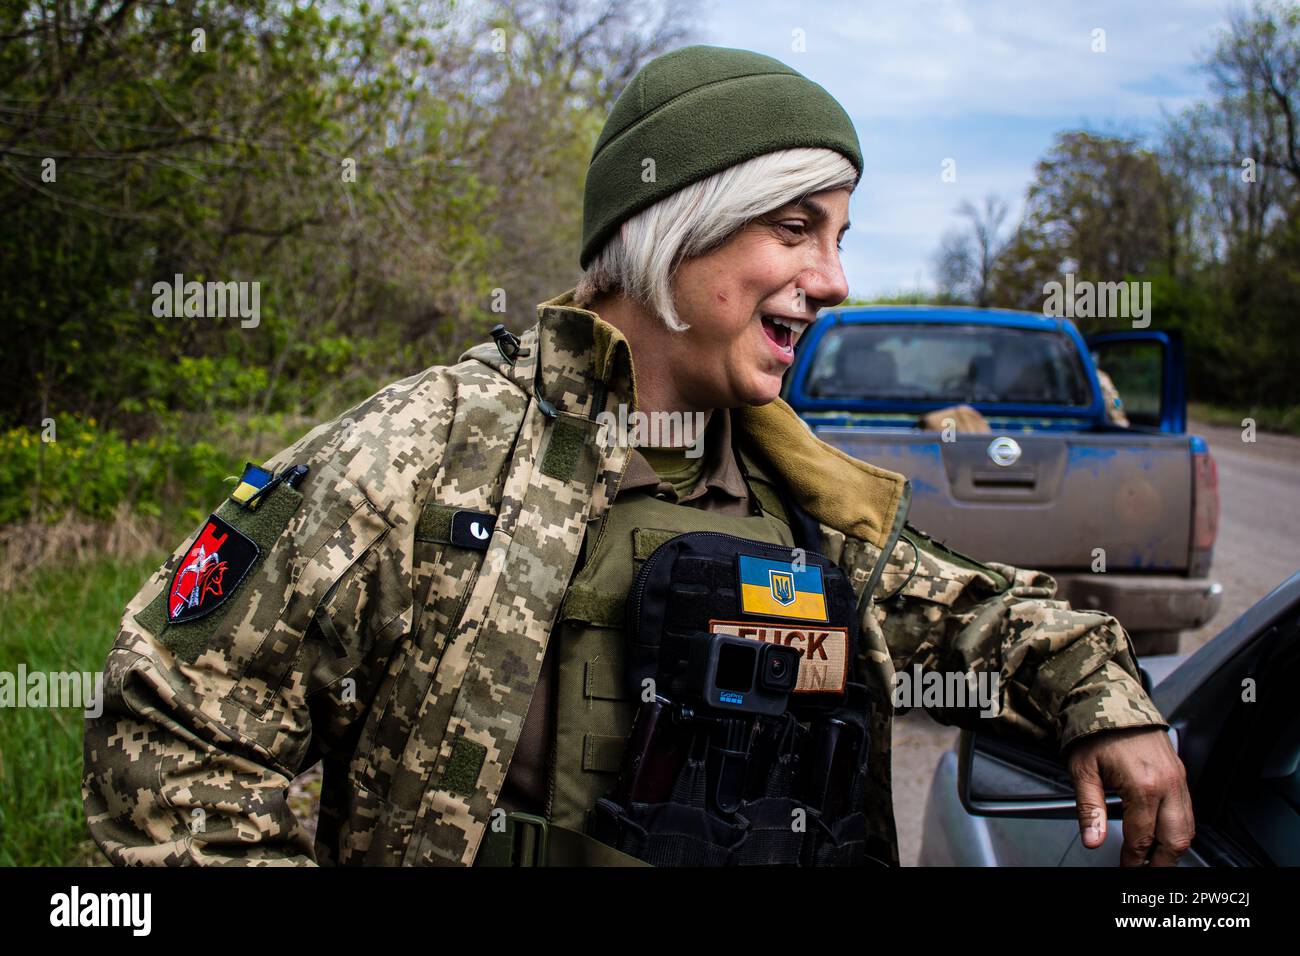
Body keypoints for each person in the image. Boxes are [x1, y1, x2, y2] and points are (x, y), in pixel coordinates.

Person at [83, 44, 1192, 867]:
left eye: (841, 236)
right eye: (796, 228)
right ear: (679, 221)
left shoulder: (796, 498)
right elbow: (180, 727)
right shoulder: (433, 450)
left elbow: (982, 616)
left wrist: (1106, 696)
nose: (837, 277)